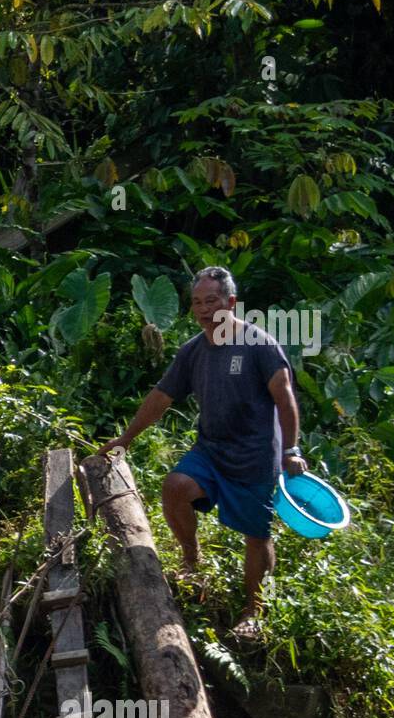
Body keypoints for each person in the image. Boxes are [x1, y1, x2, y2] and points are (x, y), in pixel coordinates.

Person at [99, 266, 308, 640]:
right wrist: (125, 439)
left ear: (230, 302)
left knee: (256, 536)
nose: (203, 309)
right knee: (176, 486)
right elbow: (161, 398)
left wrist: (290, 450)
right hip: (211, 450)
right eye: (196, 302)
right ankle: (192, 561)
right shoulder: (193, 351)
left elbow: (284, 396)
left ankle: (253, 608)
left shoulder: (259, 344)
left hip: (255, 457)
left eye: (211, 301)